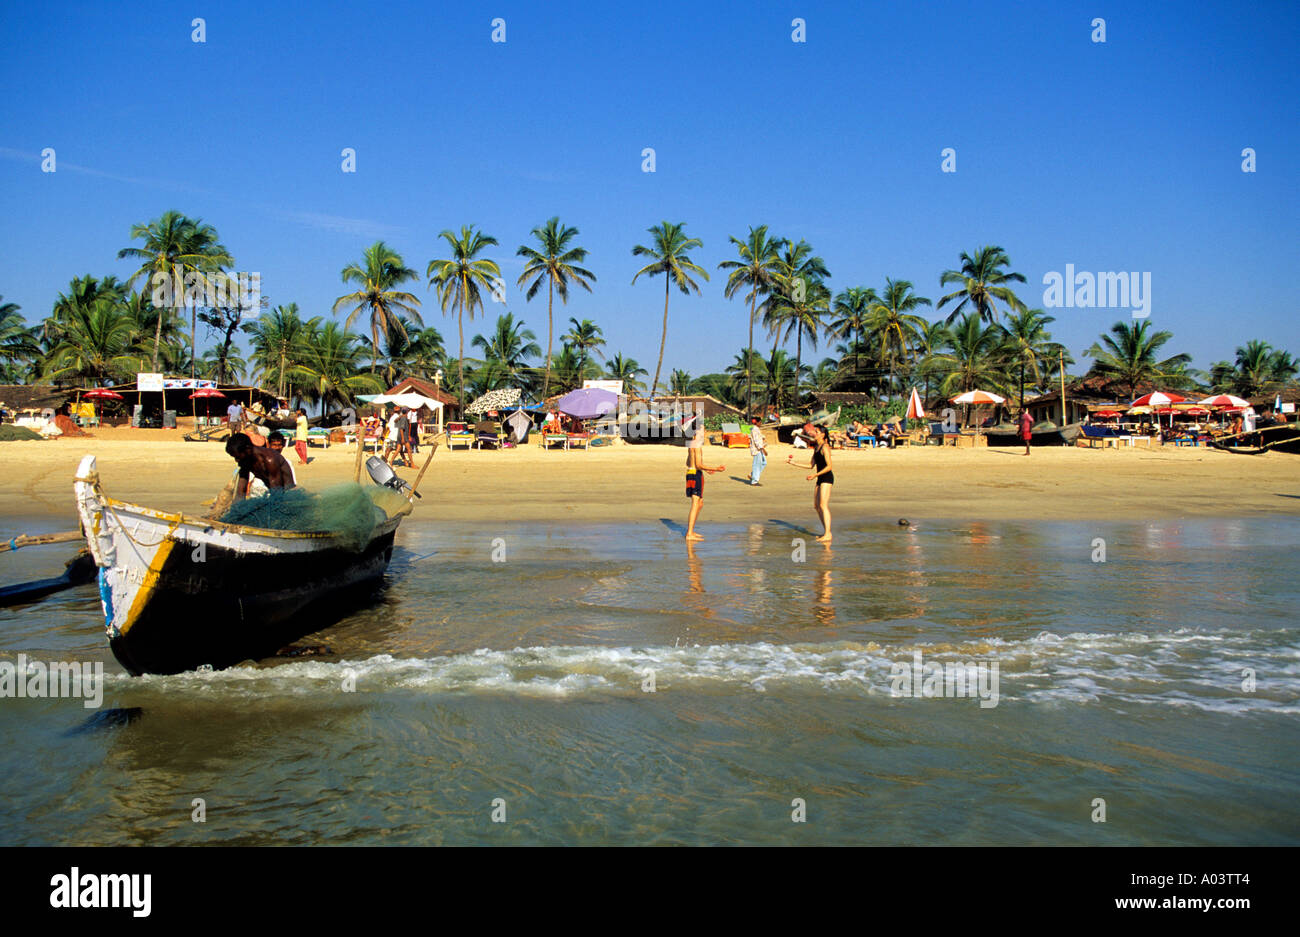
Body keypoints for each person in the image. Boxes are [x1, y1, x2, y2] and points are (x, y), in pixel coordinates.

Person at [787, 423, 834, 543]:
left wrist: (815, 475)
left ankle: (828, 534)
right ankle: (826, 532)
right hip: (819, 478)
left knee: (823, 505)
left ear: (823, 435)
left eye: (817, 432)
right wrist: (793, 463)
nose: (814, 433)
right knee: (817, 506)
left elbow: (829, 466)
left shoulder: (825, 447)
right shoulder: (817, 447)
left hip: (826, 477)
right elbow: (810, 465)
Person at [684, 417, 725, 541]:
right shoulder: (697, 445)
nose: (704, 432)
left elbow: (688, 462)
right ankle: (689, 533)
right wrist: (716, 469)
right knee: (696, 503)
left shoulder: (691, 443)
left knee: (699, 503)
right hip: (695, 474)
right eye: (703, 430)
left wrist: (705, 469)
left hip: (691, 472)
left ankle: (691, 531)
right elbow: (698, 465)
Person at [225, 432, 295, 501]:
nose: (236, 460)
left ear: (248, 449)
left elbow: (277, 493)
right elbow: (241, 491)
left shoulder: (270, 460)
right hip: (271, 493)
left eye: (238, 457)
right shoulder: (245, 461)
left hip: (287, 496)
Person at [747, 416, 768, 486]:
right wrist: (763, 449)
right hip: (757, 450)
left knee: (764, 462)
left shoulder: (756, 429)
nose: (761, 423)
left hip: (759, 449)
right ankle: (754, 481)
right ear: (757, 422)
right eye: (760, 422)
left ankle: (752, 475)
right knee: (756, 464)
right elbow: (756, 441)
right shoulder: (754, 429)